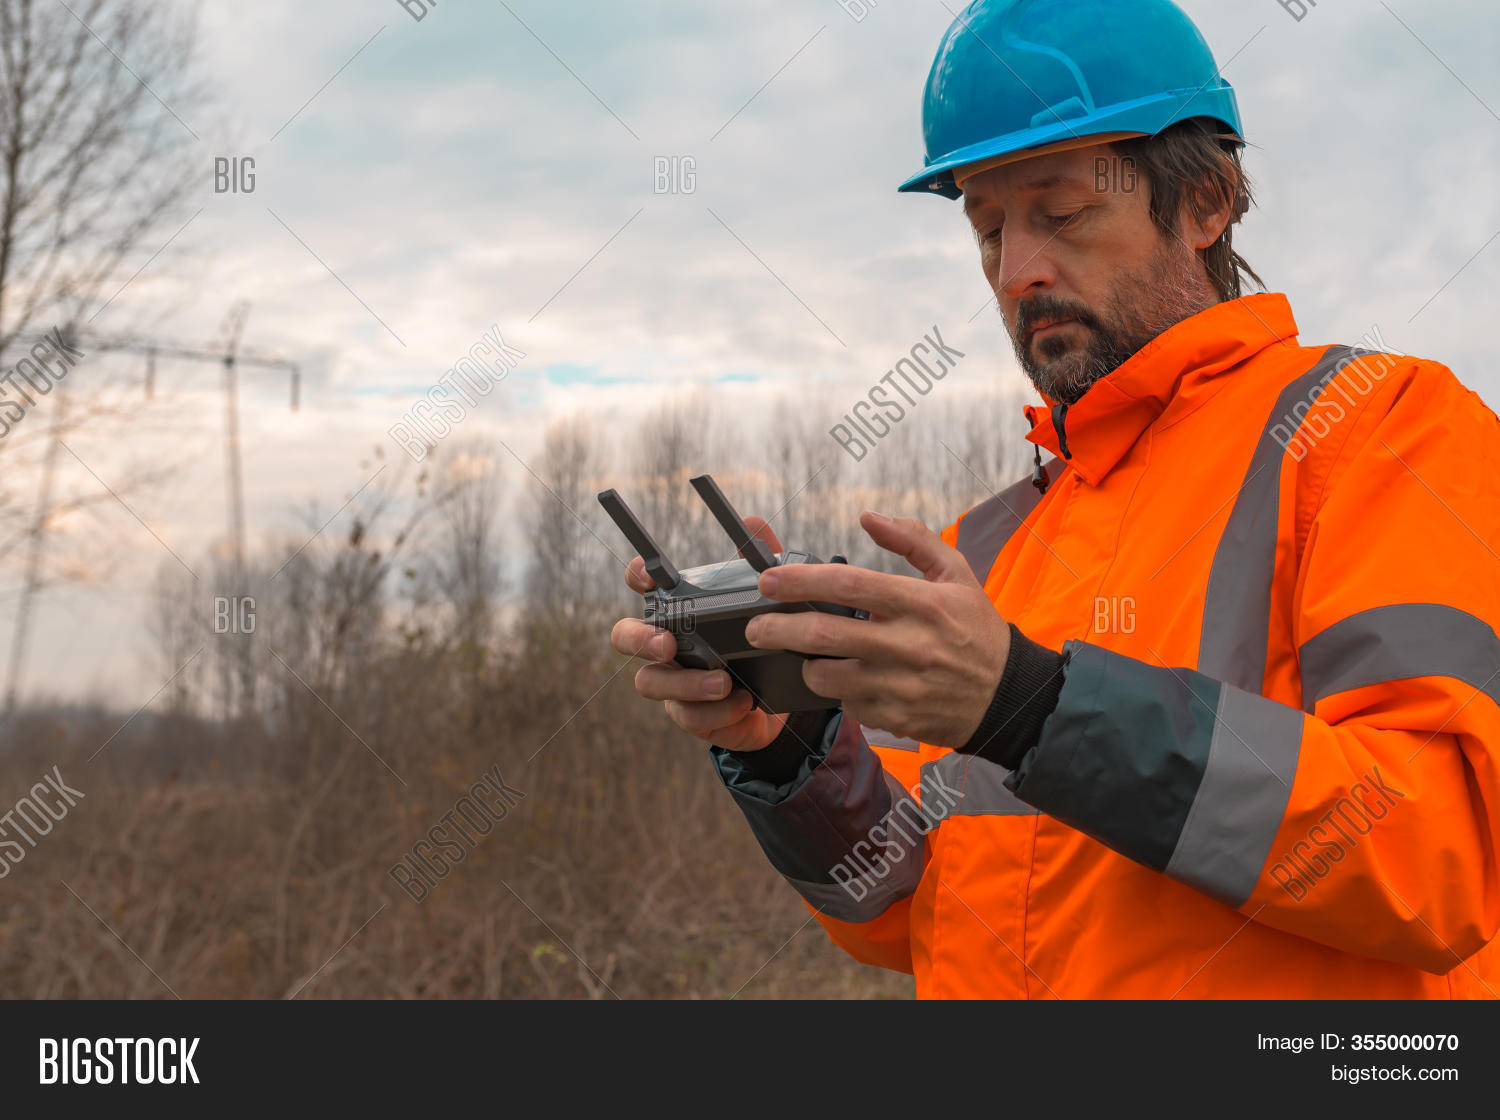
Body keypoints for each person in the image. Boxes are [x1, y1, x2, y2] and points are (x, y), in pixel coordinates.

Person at [609, 0, 1500, 997]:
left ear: (1206, 202)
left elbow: (1442, 856)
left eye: (1062, 212)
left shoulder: (1379, 431)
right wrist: (789, 751)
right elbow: (904, 910)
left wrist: (1038, 711)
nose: (1017, 270)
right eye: (987, 230)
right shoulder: (982, 549)